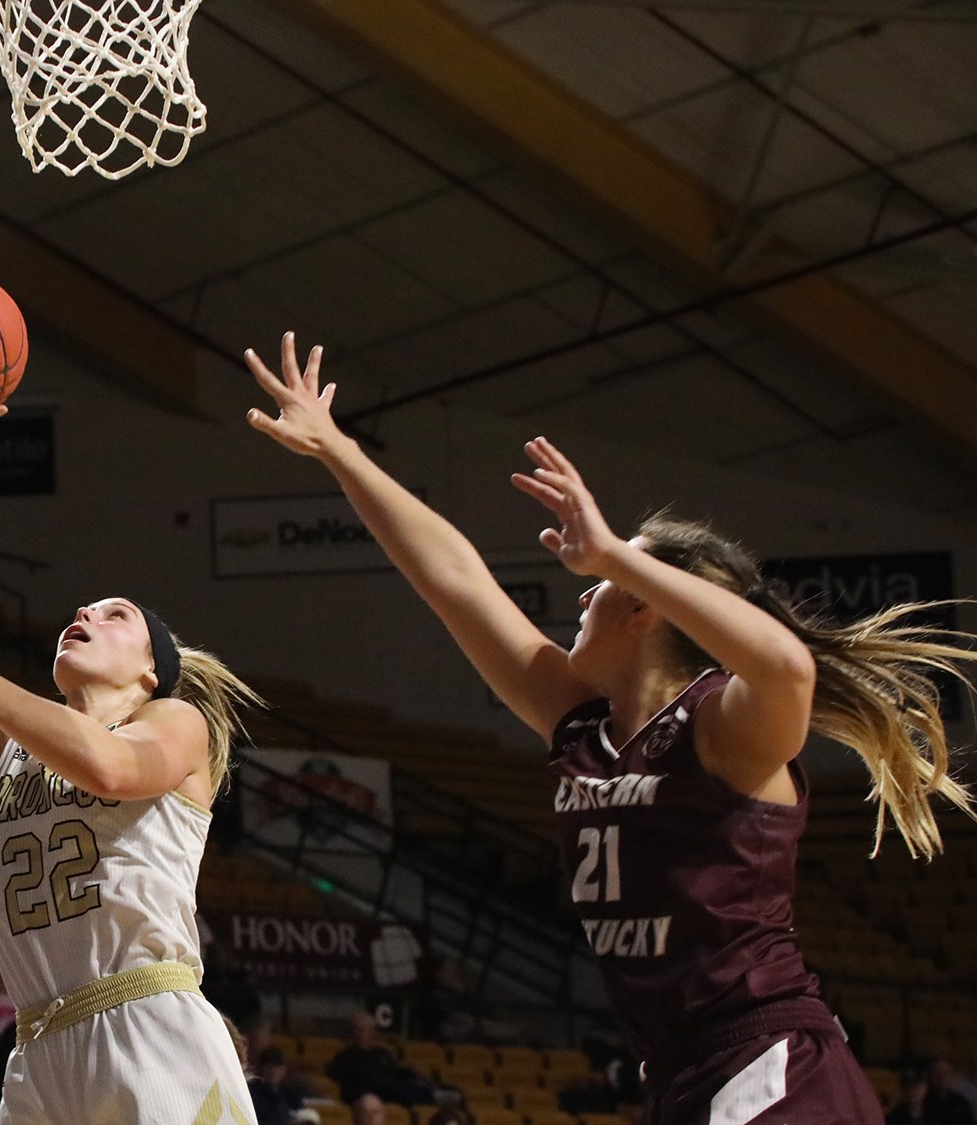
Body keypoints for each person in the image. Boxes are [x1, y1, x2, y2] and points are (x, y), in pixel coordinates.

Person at [243, 334, 977, 1123]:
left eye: (606, 583)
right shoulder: (579, 723)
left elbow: (790, 669)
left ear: (642, 603)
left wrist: (619, 555)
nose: (583, 593)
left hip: (770, 1066)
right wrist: (340, 451)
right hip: (679, 1073)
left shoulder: (724, 722)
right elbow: (453, 579)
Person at [0, 404, 264, 1124]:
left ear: (151, 669)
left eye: (118, 615)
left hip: (150, 1026)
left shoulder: (175, 721)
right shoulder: (5, 749)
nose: (87, 610)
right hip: (38, 1047)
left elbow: (110, 769)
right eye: (88, 606)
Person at [325, 1012, 436, 1107]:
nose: (356, 1034)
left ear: (371, 1032)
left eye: (360, 1030)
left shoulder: (382, 1053)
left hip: (389, 1088)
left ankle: (436, 1093)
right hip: (366, 1092)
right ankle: (433, 1096)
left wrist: (410, 1071)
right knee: (390, 1085)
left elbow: (394, 1071)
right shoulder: (345, 1056)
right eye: (353, 1030)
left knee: (406, 1083)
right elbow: (338, 1078)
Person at [889, 1064, 977, 1125]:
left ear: (925, 1088)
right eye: (906, 1088)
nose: (911, 1092)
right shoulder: (894, 1117)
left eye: (916, 1088)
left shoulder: (937, 1110)